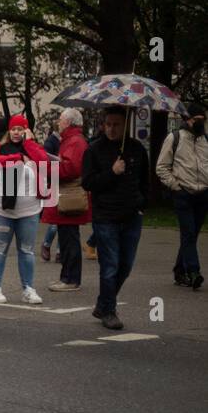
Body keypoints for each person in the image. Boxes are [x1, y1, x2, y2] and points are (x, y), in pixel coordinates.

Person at [83, 106, 149, 329]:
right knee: (110, 265)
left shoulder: (137, 149)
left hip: (131, 215)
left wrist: (141, 204)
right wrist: (112, 172)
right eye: (108, 124)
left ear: (125, 125)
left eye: (116, 124)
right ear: (103, 124)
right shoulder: (94, 150)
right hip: (106, 216)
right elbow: (88, 182)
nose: (111, 128)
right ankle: (109, 311)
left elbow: (145, 180)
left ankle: (103, 304)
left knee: (125, 265)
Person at [0, 114, 52, 304]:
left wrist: (29, 145)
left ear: (26, 131)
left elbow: (44, 162)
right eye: (13, 129)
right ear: (9, 130)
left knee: (27, 250)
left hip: (29, 210)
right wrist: (18, 157)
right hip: (1, 210)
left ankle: (28, 289)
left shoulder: (33, 148)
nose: (16, 132)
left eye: (20, 129)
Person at [156, 101, 208, 290]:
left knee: (192, 235)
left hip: (203, 194)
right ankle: (194, 272)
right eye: (198, 120)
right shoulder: (175, 138)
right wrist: (175, 186)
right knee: (188, 233)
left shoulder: (205, 140)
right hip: (183, 194)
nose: (202, 123)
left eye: (204, 119)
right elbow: (161, 167)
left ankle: (179, 270)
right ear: (188, 120)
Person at [43, 108, 90, 292]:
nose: (58, 122)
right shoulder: (72, 140)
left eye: (61, 120)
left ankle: (71, 279)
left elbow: (70, 169)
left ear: (69, 122)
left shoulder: (75, 142)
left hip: (69, 197)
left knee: (69, 238)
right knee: (67, 238)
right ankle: (67, 277)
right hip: (67, 196)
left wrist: (48, 166)